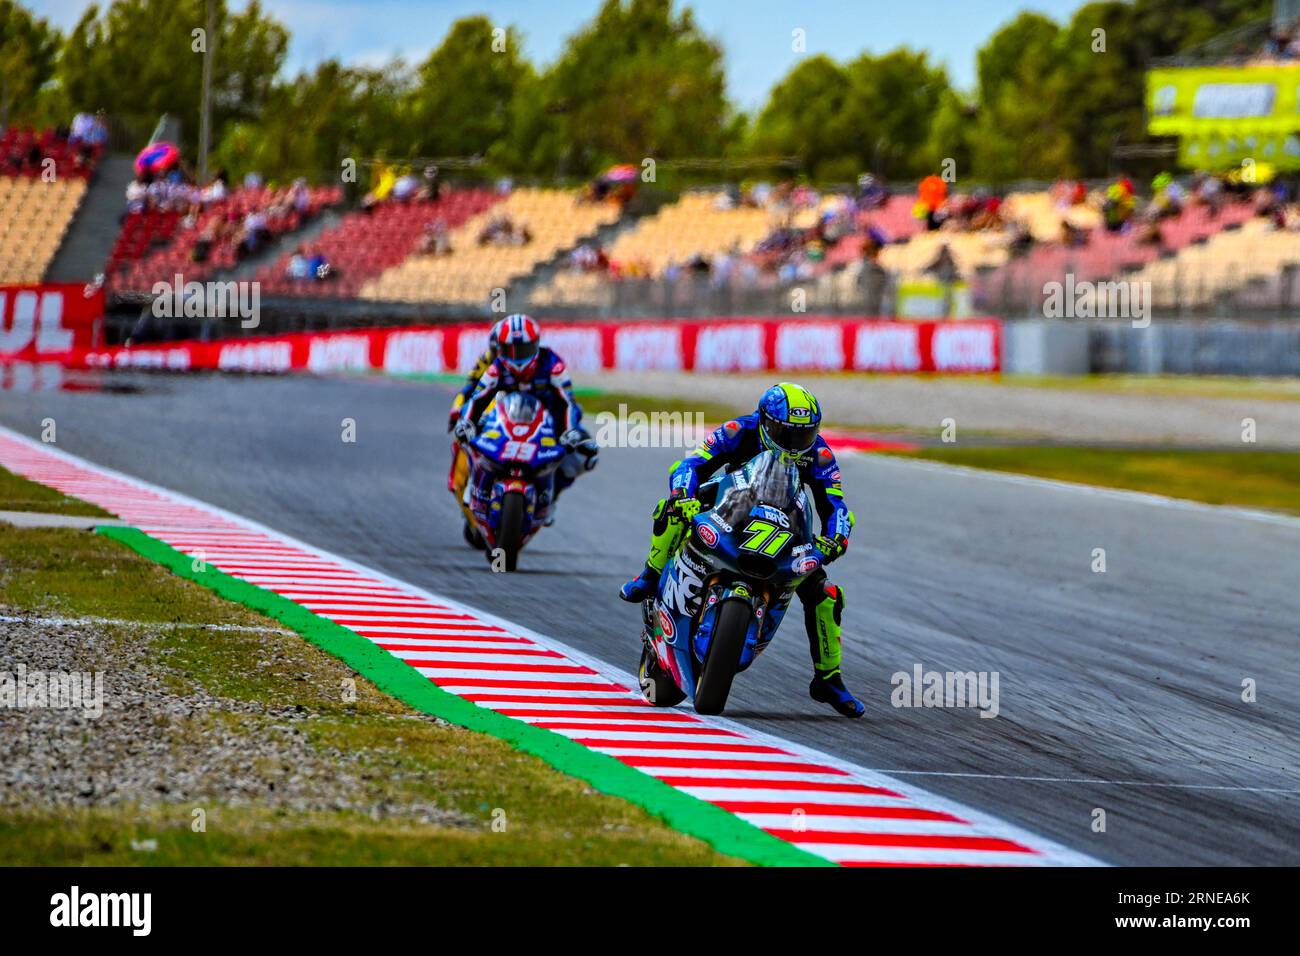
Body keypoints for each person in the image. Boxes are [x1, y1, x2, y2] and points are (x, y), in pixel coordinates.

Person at [618, 383, 865, 718]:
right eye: (786, 433)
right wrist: (683, 495)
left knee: (825, 592)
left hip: (783, 530)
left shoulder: (818, 455)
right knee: (670, 508)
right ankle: (651, 574)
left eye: (804, 435)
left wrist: (835, 538)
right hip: (728, 508)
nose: (795, 443)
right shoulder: (738, 431)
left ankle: (828, 678)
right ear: (765, 422)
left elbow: (835, 506)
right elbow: (690, 465)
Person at [451, 315, 598, 534]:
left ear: (536, 345)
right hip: (503, 421)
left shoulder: (553, 364)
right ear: (500, 349)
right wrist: (467, 423)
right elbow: (477, 398)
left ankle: (551, 496)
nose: (517, 357)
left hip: (549, 423)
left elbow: (568, 402)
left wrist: (570, 431)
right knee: (468, 439)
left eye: (523, 349)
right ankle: (476, 485)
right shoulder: (496, 367)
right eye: (510, 350)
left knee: (587, 455)